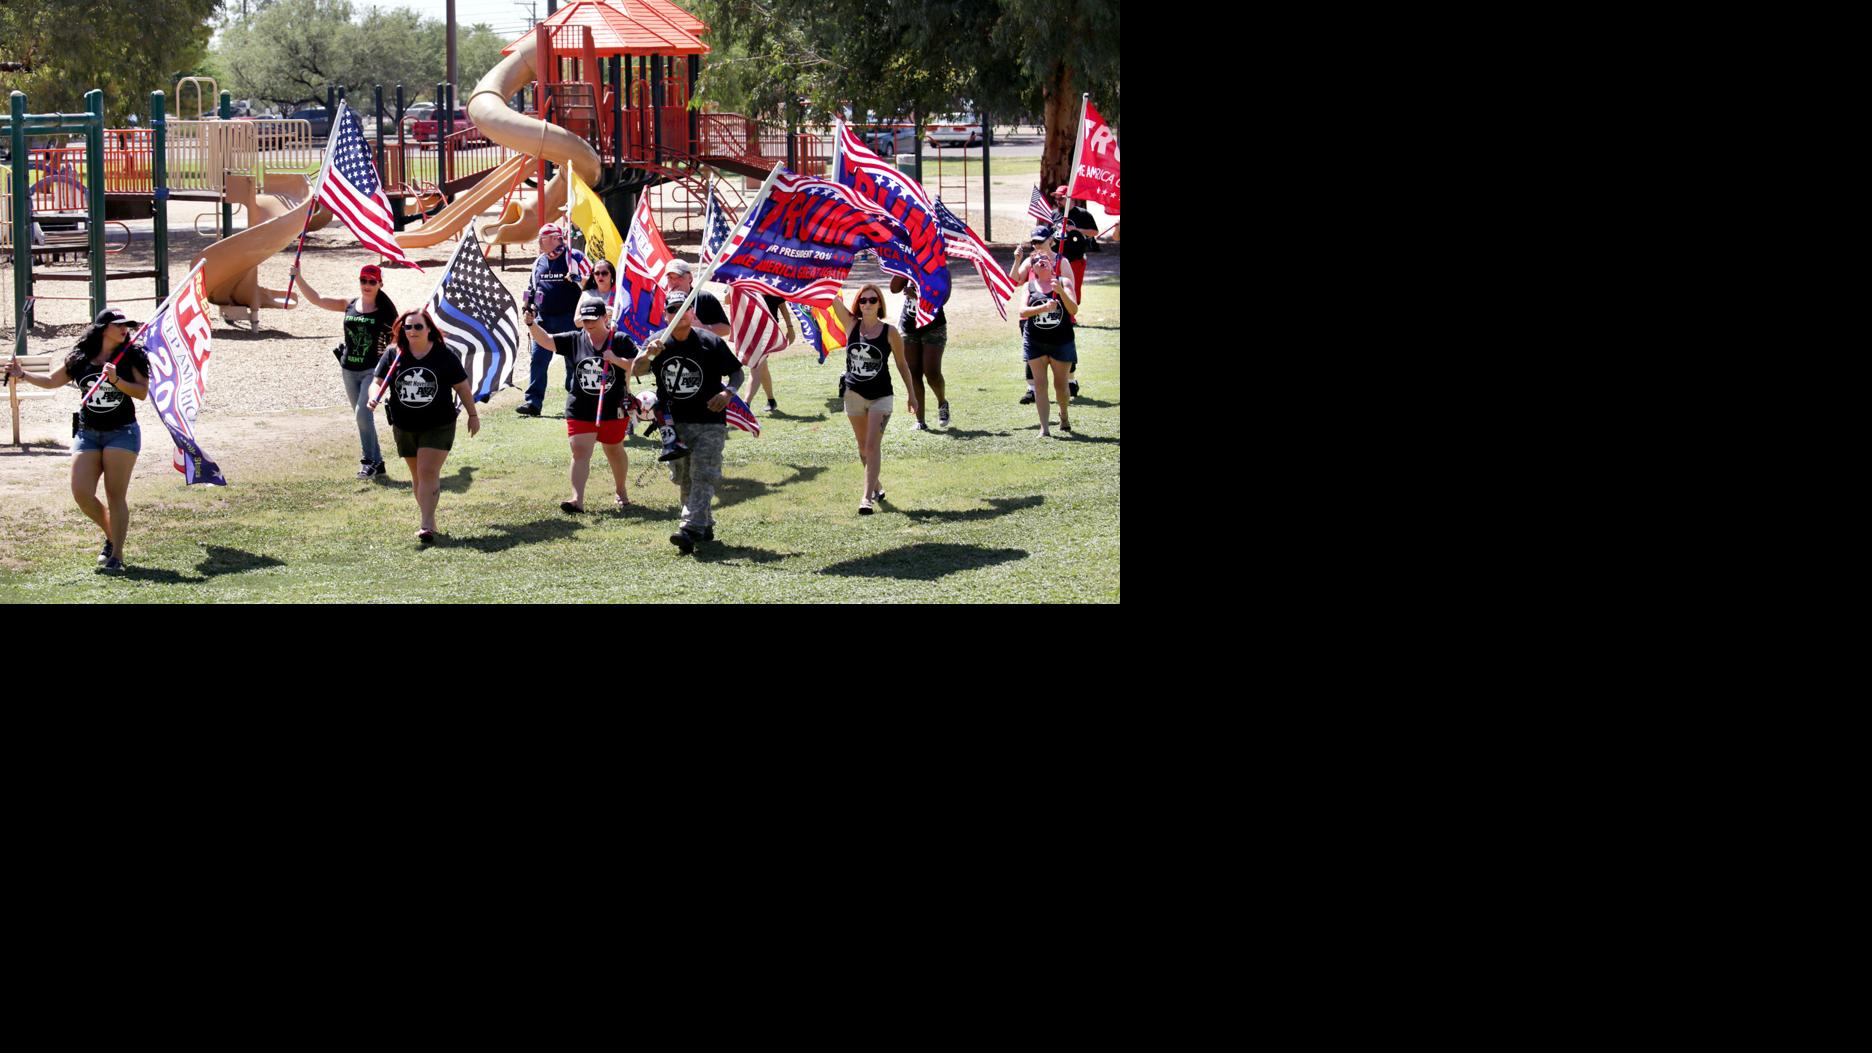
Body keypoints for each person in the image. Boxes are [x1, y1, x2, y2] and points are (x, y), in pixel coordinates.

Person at [5, 307, 148, 572]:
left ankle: (116, 556)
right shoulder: (80, 357)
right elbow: (51, 381)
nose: (124, 329)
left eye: (127, 325)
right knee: (82, 493)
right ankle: (111, 534)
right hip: (88, 433)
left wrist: (116, 380)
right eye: (119, 325)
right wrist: (23, 375)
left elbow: (142, 393)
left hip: (122, 431)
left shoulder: (132, 355)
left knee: (115, 495)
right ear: (103, 328)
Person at [632, 290, 743, 554]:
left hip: (709, 420)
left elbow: (737, 372)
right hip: (672, 423)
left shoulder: (709, 341)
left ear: (692, 313)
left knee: (703, 474)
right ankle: (703, 524)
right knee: (682, 478)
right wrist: (648, 356)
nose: (678, 314)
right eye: (673, 310)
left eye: (684, 309)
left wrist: (728, 393)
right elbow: (636, 369)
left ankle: (689, 527)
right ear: (665, 314)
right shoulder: (656, 342)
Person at [370, 309, 480, 542]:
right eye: (408, 327)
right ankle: (430, 518)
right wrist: (373, 395)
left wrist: (473, 414)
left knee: (427, 471)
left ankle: (426, 524)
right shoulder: (394, 354)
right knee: (418, 477)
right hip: (404, 425)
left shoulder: (444, 355)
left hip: (439, 424)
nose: (412, 331)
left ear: (429, 329)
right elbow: (377, 382)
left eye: (418, 326)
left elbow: (462, 387)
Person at [526, 293, 638, 513]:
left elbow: (638, 366)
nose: (588, 324)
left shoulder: (620, 340)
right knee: (579, 451)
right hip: (580, 407)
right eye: (584, 320)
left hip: (612, 407)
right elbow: (547, 341)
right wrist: (531, 324)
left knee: (614, 450)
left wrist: (615, 359)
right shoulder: (575, 339)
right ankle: (577, 499)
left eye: (593, 319)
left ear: (605, 317)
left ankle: (621, 491)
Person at [293, 263, 398, 479]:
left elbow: (397, 339)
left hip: (373, 371)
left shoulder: (386, 310)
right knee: (363, 417)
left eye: (372, 281)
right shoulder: (349, 304)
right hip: (349, 369)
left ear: (380, 284)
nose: (367, 285)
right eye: (363, 281)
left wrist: (388, 364)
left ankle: (368, 461)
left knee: (362, 413)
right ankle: (377, 464)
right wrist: (298, 277)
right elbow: (318, 299)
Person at [828, 284, 913, 513]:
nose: (867, 304)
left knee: (872, 445)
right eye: (863, 300)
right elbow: (831, 299)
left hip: (881, 396)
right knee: (864, 448)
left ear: (879, 304)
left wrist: (912, 394)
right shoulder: (851, 325)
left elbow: (902, 364)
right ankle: (876, 485)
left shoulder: (890, 332)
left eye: (872, 300)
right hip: (853, 394)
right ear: (858, 304)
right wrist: (822, 267)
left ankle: (866, 499)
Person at [517, 224, 590, 416]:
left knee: (573, 363)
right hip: (543, 320)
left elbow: (592, 284)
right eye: (540, 237)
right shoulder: (539, 262)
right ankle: (533, 403)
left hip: (570, 320)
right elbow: (531, 289)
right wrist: (527, 307)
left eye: (544, 237)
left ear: (557, 238)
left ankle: (575, 399)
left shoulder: (575, 257)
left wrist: (577, 278)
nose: (540, 241)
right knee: (538, 360)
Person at [1012, 228, 1079, 404]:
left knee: (1063, 352)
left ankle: (1070, 381)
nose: (1036, 245)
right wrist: (1017, 260)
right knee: (1032, 354)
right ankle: (1032, 389)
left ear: (1051, 240)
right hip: (1033, 315)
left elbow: (1070, 287)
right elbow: (1016, 280)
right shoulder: (1030, 260)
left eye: (1040, 241)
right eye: (1034, 242)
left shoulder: (1061, 261)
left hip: (1059, 315)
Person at [1019, 249, 1078, 438]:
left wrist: (1061, 292)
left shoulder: (1063, 282)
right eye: (1036, 260)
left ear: (1051, 263)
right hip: (1035, 341)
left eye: (1044, 258)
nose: (1041, 261)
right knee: (1040, 384)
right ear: (1033, 268)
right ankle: (1044, 428)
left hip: (1061, 341)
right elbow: (1023, 311)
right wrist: (1044, 308)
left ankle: (1064, 416)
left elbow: (1073, 309)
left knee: (1061, 386)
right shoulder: (1028, 286)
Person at [889, 274, 948, 429]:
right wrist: (902, 267)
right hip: (909, 327)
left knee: (932, 373)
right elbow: (894, 288)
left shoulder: (940, 269)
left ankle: (942, 402)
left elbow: (942, 299)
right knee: (913, 373)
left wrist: (916, 295)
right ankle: (920, 421)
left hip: (933, 326)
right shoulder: (908, 267)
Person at [1052, 184, 1099, 305]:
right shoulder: (1054, 214)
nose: (1058, 201)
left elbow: (1094, 232)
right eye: (1056, 198)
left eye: (1061, 198)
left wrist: (1076, 229)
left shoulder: (1083, 214)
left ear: (1070, 198)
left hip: (1076, 259)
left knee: (1073, 287)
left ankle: (1071, 315)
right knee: (1055, 286)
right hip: (1056, 258)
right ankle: (1058, 313)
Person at [663, 260, 732, 338]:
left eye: (679, 277)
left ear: (690, 278)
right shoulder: (662, 300)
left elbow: (726, 329)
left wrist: (703, 328)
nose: (674, 281)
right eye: (670, 278)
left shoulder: (704, 298)